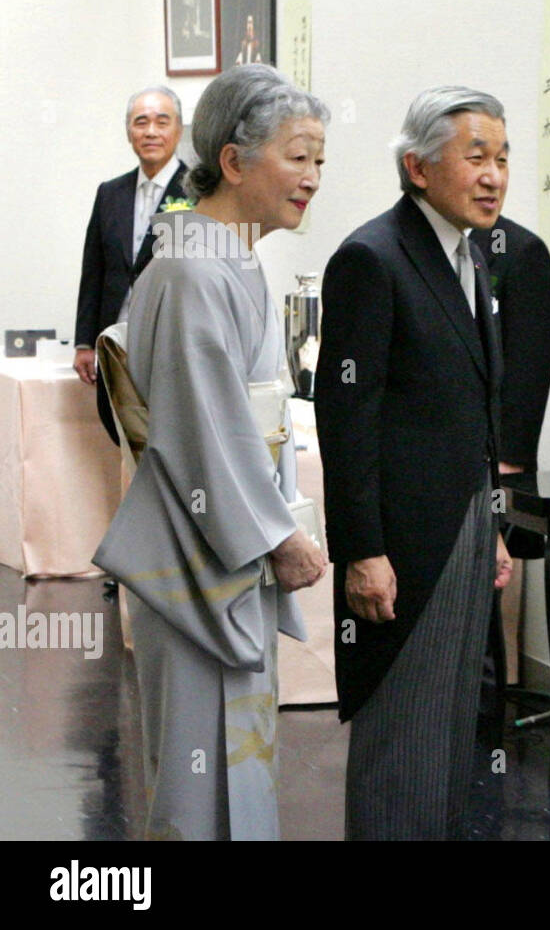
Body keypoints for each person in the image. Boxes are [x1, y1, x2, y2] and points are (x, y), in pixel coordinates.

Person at [94, 64, 329, 840]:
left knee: (230, 760)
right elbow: (203, 432)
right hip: (203, 552)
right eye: (297, 157)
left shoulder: (228, 258)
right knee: (202, 776)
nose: (312, 178)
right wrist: (277, 535)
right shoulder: (195, 267)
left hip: (224, 551)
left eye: (319, 161)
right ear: (233, 160)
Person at [316, 86, 514, 840]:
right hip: (400, 544)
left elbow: (477, 413)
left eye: (502, 157)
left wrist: (493, 524)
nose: (494, 174)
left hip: (463, 526)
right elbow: (348, 417)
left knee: (449, 732)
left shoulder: (470, 255)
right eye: (476, 157)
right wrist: (361, 550)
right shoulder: (373, 258)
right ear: (418, 167)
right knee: (401, 735)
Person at [470, 217, 550, 689]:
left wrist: (507, 469)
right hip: (438, 462)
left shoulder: (520, 251)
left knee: (484, 607)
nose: (490, 176)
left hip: (493, 465)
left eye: (500, 161)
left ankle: (485, 718)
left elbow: (528, 368)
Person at [74, 86, 190, 441]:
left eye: (161, 121)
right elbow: (93, 271)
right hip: (115, 345)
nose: (151, 131)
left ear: (178, 131)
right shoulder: (110, 193)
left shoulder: (198, 193)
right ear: (129, 132)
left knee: (166, 441)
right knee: (121, 437)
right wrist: (84, 342)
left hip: (170, 343)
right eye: (141, 122)